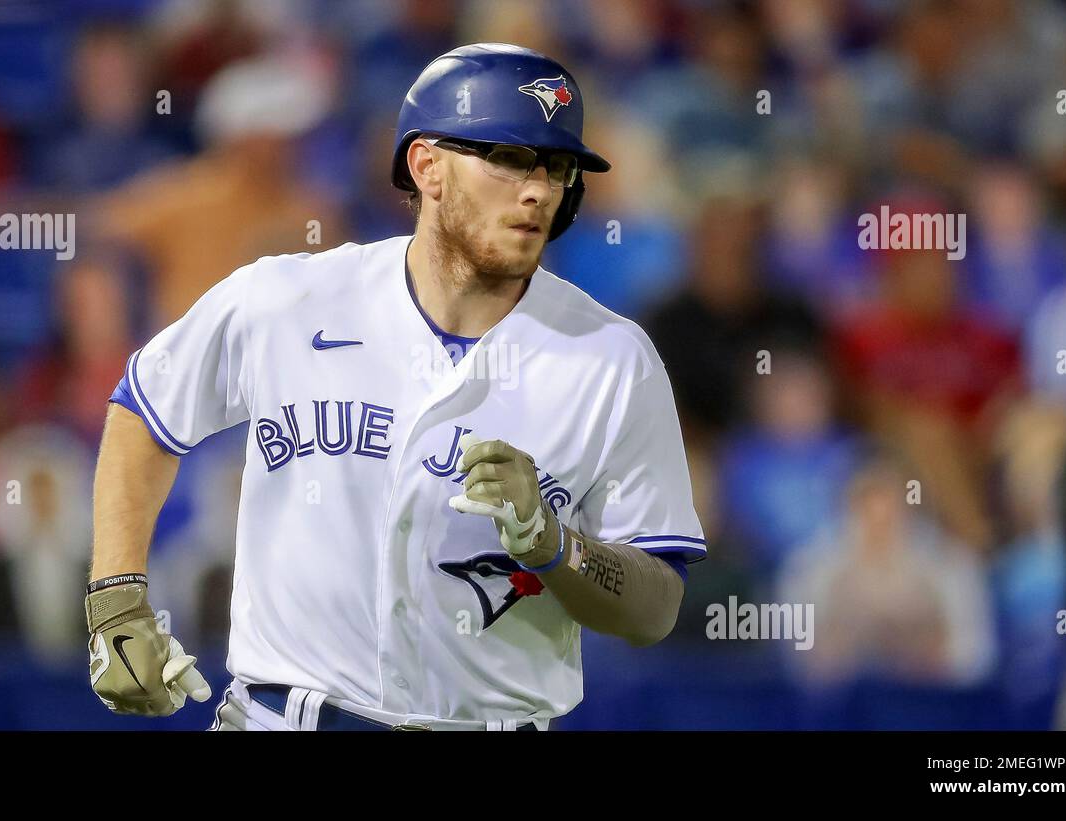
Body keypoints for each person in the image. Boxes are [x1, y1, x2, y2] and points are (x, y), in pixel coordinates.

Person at [85, 43, 706, 731]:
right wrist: (116, 596)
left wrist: (556, 543)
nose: (537, 188)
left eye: (557, 168)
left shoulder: (612, 360)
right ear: (426, 165)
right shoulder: (289, 300)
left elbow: (654, 607)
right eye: (507, 158)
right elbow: (144, 409)